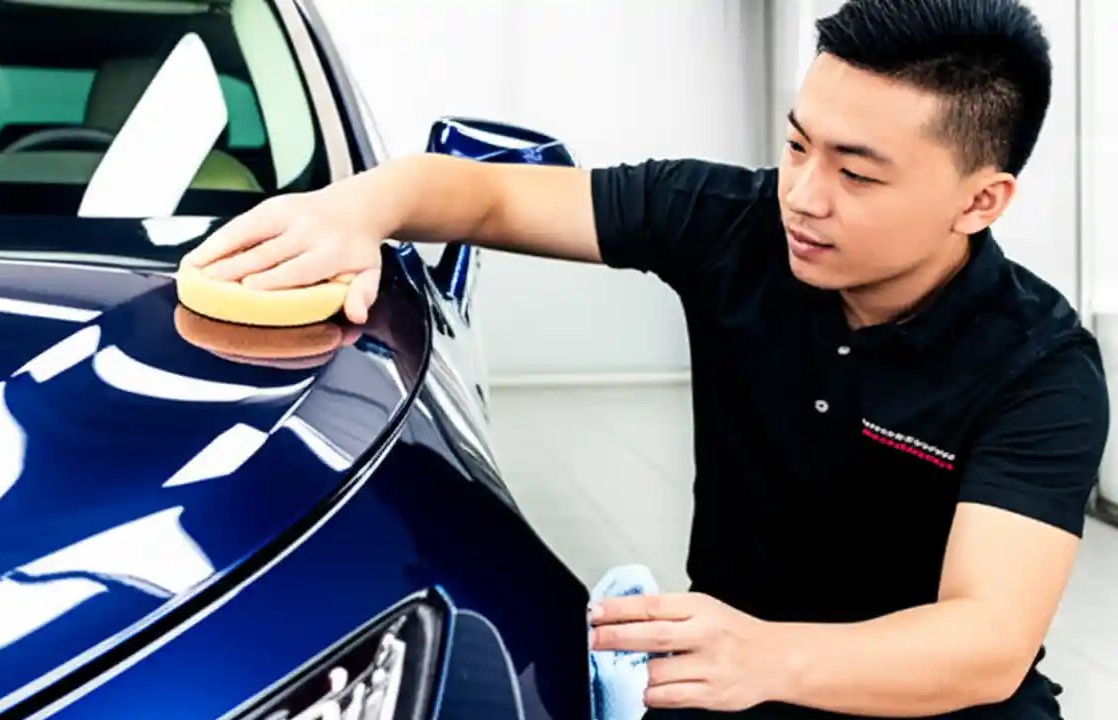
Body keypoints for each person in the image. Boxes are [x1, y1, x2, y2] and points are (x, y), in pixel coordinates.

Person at [183, 0, 1109, 717]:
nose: (804, 195)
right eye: (796, 145)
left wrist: (764, 655)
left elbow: (985, 642)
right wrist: (353, 211)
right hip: (727, 681)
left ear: (981, 202)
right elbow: (486, 200)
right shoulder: (731, 223)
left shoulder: (1040, 364)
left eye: (856, 173)